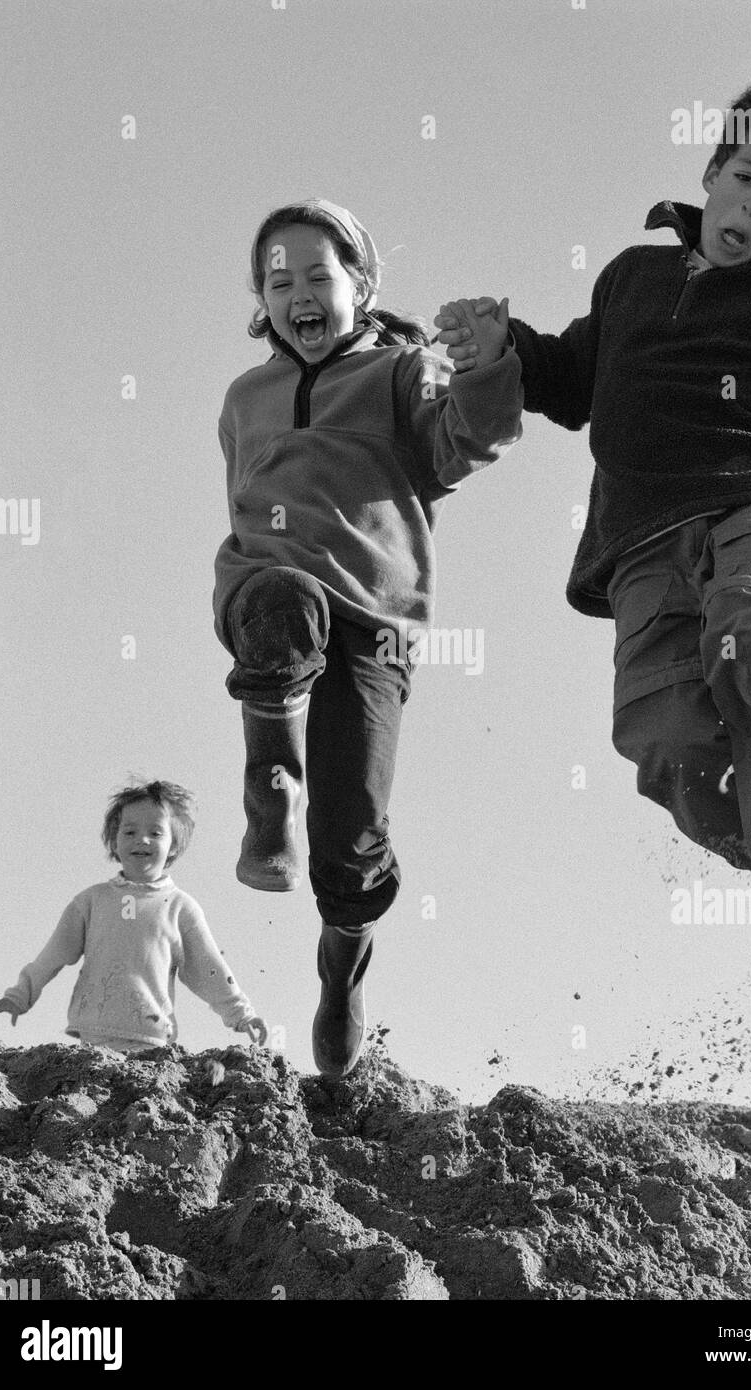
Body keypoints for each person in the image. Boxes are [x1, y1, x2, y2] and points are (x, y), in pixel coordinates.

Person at [435, 76, 751, 1034]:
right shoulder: (631, 280)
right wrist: (498, 346)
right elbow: (570, 378)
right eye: (744, 176)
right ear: (710, 168)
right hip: (639, 550)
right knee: (670, 747)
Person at [213, 198, 520, 1077]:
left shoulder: (399, 373)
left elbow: (463, 443)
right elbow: (245, 494)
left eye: (319, 275)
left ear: (362, 285)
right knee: (281, 602)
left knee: (351, 836)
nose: (298, 292)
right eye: (279, 280)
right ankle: (269, 784)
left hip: (377, 620)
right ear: (262, 299)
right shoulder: (245, 398)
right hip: (268, 586)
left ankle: (342, 959)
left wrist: (484, 367)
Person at [0, 780, 268, 1053]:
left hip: (153, 1044)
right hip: (93, 1040)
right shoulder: (91, 901)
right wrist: (17, 997)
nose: (142, 839)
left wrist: (242, 1015)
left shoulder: (180, 908)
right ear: (113, 842)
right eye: (129, 832)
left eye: (155, 833)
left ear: (174, 845)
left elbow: (209, 968)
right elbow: (52, 956)